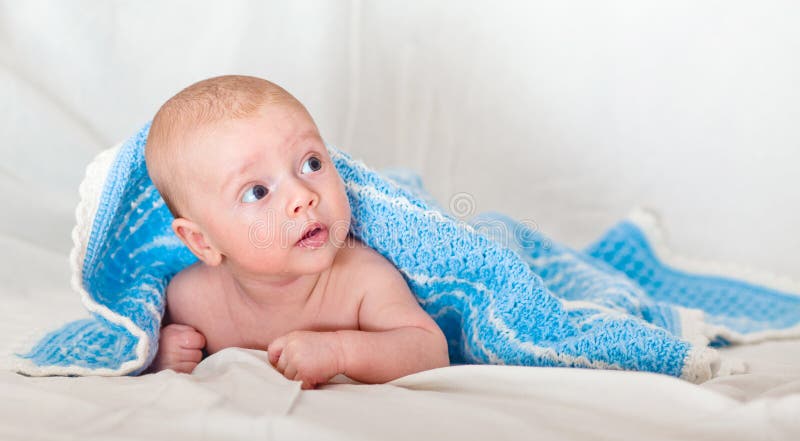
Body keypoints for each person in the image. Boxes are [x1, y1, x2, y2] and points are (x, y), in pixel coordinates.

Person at [143, 75, 449, 388]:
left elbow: (430, 351)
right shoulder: (188, 300)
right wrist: (158, 356)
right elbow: (129, 345)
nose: (302, 195)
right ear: (201, 241)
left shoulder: (362, 280)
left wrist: (341, 351)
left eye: (312, 164)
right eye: (257, 192)